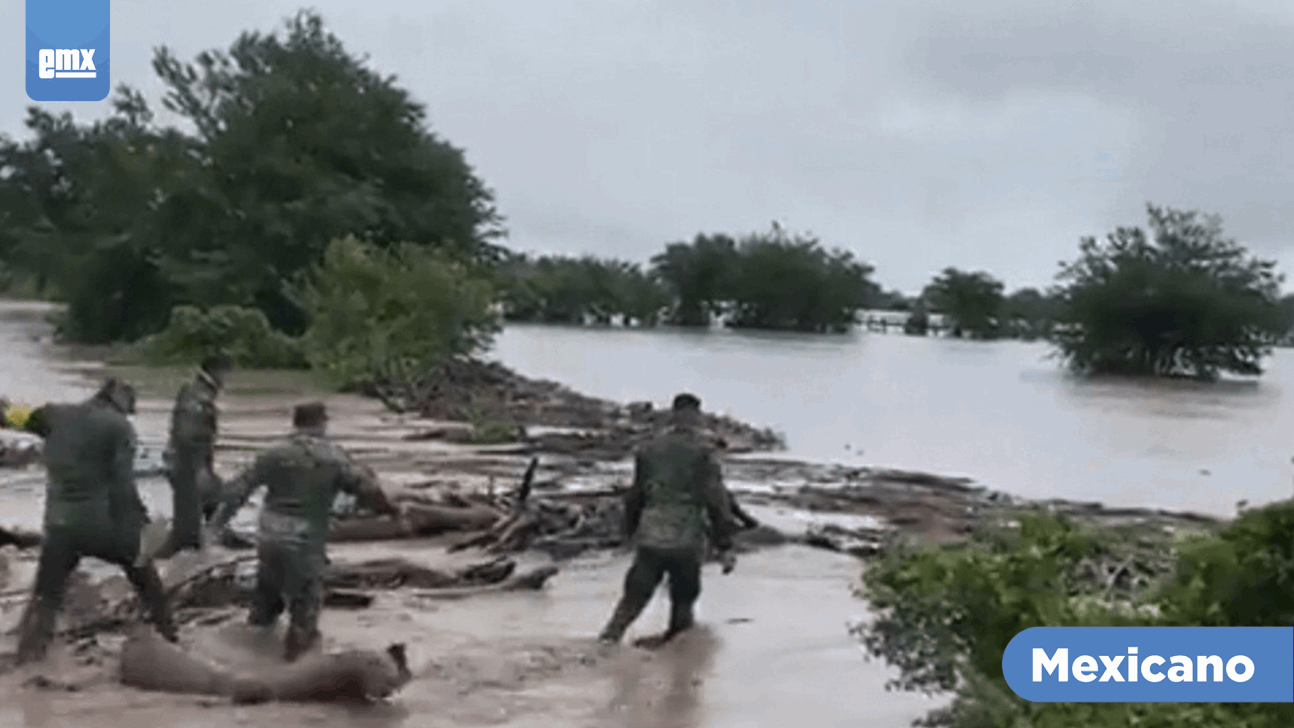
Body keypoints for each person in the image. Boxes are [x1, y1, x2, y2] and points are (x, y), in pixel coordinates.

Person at [207, 401, 399, 661]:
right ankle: (295, 671)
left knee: (265, 604)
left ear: (295, 422)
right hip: (305, 541)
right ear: (322, 421)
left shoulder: (273, 452)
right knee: (305, 610)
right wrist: (389, 511)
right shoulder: (332, 455)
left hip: (269, 537)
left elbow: (237, 491)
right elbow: (367, 490)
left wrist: (216, 527)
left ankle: (251, 658)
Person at [14, 378, 176, 665]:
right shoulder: (119, 427)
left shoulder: (53, 414)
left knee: (46, 595)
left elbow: (15, 416)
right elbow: (123, 485)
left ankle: (29, 658)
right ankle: (171, 641)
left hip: (60, 525)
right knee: (147, 580)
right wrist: (142, 524)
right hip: (105, 525)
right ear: (121, 398)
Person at [598, 393, 740, 648]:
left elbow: (635, 495)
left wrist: (627, 532)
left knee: (631, 601)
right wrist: (725, 545)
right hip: (687, 538)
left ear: (672, 415)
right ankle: (678, 669)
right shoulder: (704, 453)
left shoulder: (649, 449)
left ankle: (606, 645)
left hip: (651, 535)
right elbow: (717, 501)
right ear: (698, 417)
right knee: (683, 603)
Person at [157, 354, 233, 558]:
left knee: (214, 501)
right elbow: (187, 435)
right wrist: (199, 468)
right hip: (188, 462)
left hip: (188, 460)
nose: (227, 380)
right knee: (188, 526)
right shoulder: (199, 396)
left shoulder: (195, 391)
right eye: (226, 374)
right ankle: (176, 556)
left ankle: (218, 537)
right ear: (218, 371)